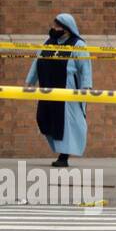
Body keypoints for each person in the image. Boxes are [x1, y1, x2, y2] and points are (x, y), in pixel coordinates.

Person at [25, 13, 92, 167]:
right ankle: (61, 150)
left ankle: (64, 156)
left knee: (66, 124)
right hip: (47, 90)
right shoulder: (48, 43)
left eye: (57, 26)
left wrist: (86, 87)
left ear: (67, 29)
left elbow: (85, 67)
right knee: (44, 119)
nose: (54, 28)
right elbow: (37, 62)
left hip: (68, 91)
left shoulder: (78, 45)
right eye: (53, 25)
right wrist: (30, 82)